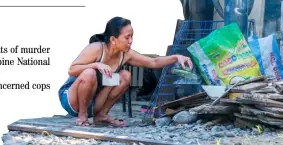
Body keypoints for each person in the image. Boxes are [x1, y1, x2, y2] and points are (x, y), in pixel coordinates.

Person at [58, 16, 193, 127]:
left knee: (125, 76)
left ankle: (101, 116)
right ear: (113, 40)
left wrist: (177, 57)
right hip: (72, 98)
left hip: (93, 100)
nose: (130, 41)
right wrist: (96, 65)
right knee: (90, 73)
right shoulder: (96, 48)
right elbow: (72, 70)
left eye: (132, 37)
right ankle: (82, 117)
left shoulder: (126, 54)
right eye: (127, 37)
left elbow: (154, 62)